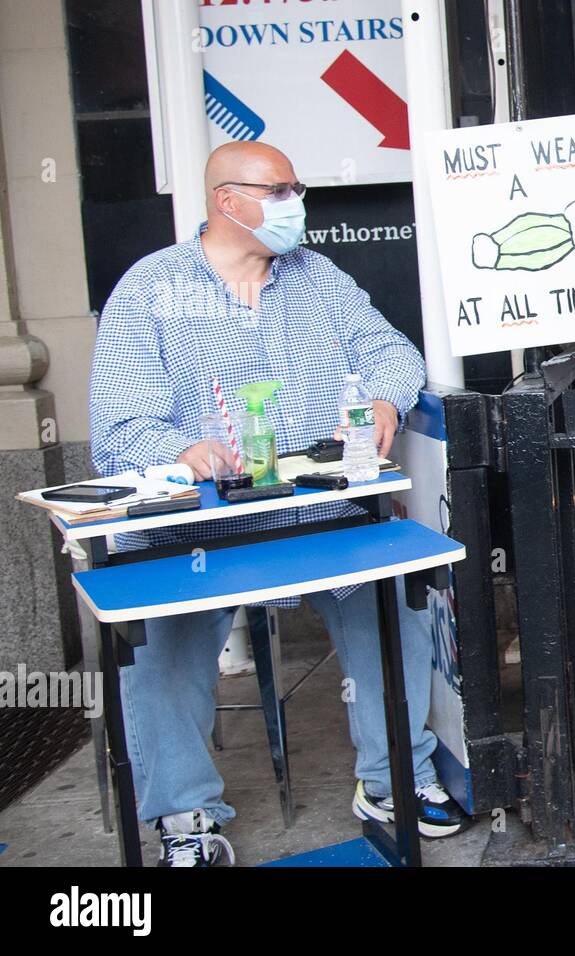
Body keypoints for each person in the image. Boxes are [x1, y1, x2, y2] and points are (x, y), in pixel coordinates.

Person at [89, 142, 465, 866]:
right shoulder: (152, 291)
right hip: (201, 524)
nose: (297, 204)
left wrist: (385, 397)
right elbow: (119, 428)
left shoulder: (315, 277)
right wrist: (180, 451)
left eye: (298, 188)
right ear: (227, 201)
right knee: (159, 650)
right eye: (281, 190)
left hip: (319, 512)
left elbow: (392, 350)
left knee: (392, 608)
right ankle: (185, 813)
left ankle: (393, 780)